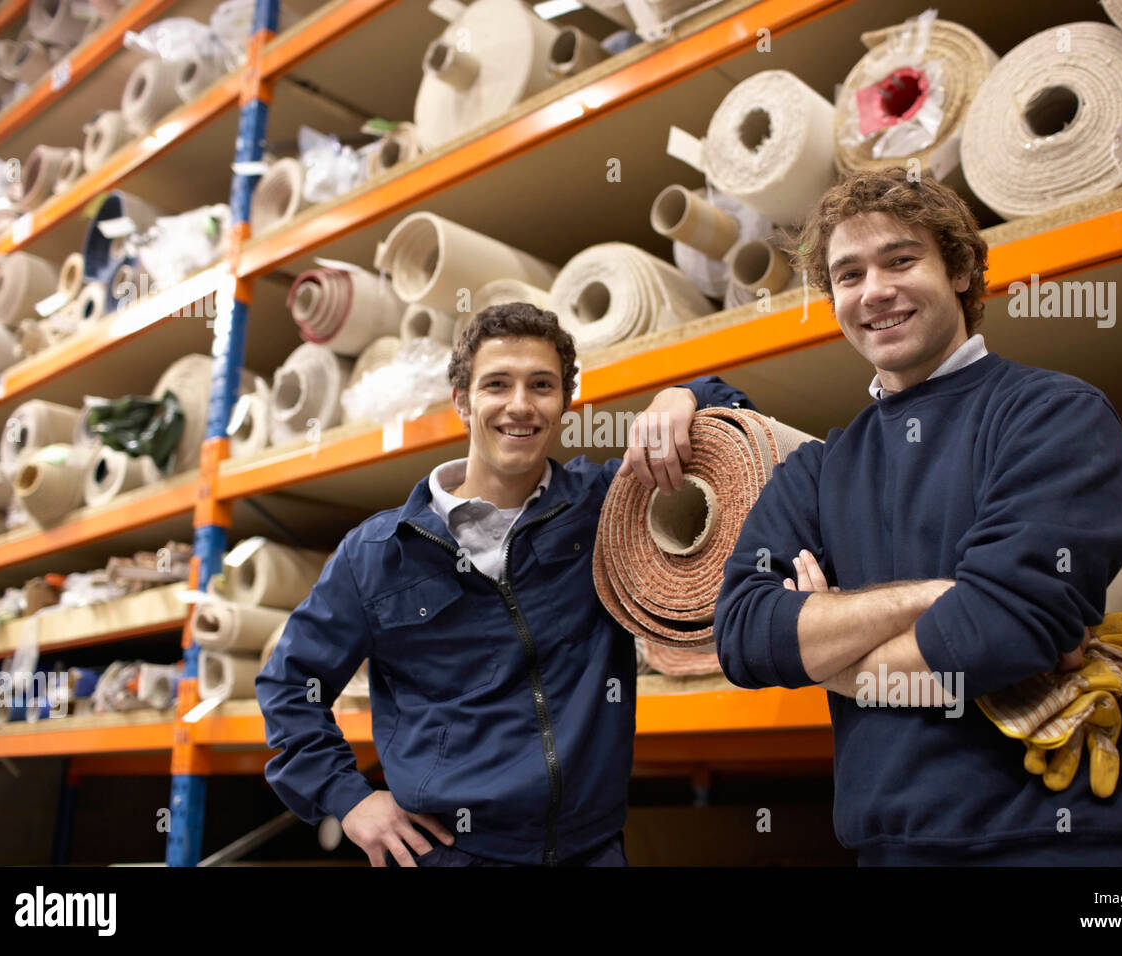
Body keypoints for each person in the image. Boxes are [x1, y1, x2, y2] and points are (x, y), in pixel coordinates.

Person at [714, 168, 1122, 865]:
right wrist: (942, 595)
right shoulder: (816, 471)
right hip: (887, 851)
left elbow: (1003, 629)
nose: (875, 291)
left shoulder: (1053, 415)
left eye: (900, 260)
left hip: (1054, 845)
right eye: (849, 274)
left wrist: (828, 648)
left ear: (958, 271)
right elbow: (744, 638)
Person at [257, 302, 753, 867]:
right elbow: (290, 684)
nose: (520, 405)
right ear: (462, 401)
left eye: (541, 385)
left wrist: (683, 396)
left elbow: (742, 437)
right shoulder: (378, 553)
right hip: (450, 853)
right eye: (497, 384)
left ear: (564, 401)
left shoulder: (606, 509)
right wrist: (348, 801)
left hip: (591, 851)